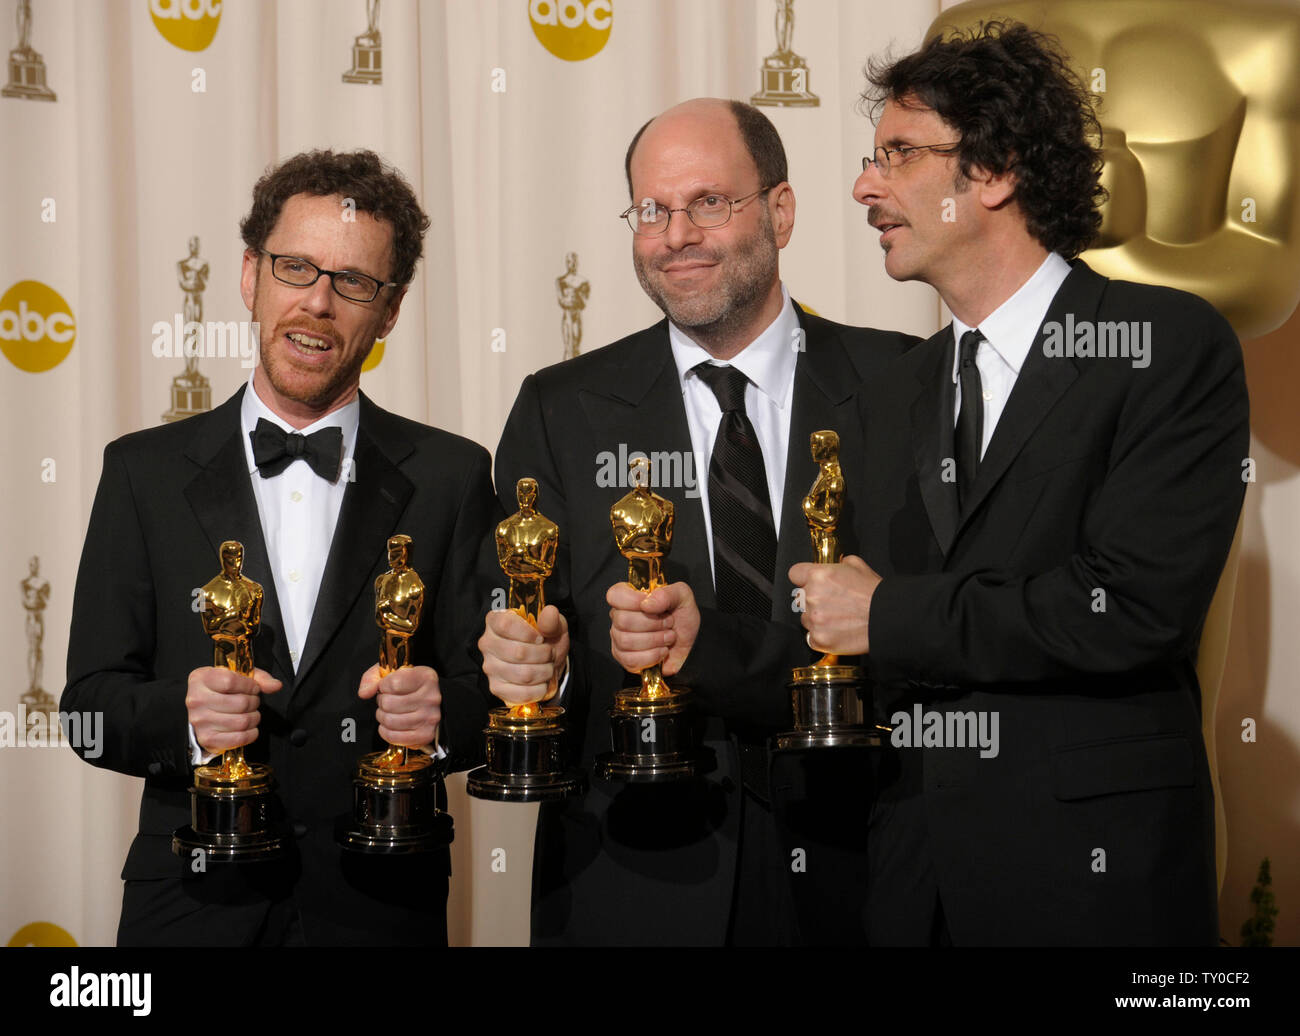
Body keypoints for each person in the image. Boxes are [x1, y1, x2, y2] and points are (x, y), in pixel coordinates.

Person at [791, 21, 1250, 945]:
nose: (864, 186)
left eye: (900, 154)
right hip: (914, 886)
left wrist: (893, 617)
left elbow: (1128, 607)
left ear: (995, 172)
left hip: (1098, 881)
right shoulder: (889, 396)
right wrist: (692, 635)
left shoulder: (1163, 345)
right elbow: (834, 625)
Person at [479, 98, 917, 945]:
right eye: (652, 209)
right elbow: (523, 628)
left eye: (709, 203)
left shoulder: (902, 380)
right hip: (633, 879)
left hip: (861, 870)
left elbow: (934, 622)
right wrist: (539, 663)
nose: (676, 233)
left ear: (780, 212)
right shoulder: (559, 408)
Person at [62, 148, 499, 946]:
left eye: (354, 282)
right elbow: (88, 707)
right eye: (296, 268)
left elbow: (498, 698)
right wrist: (186, 717)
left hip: (382, 906)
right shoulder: (141, 472)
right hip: (191, 910)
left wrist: (441, 719)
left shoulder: (454, 476)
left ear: (391, 310)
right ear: (248, 276)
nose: (318, 304)